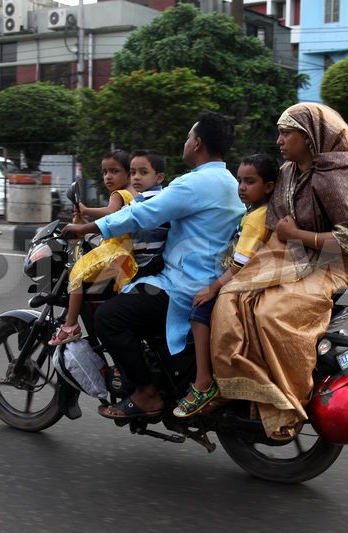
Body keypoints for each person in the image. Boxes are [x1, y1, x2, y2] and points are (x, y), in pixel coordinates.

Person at [210, 103, 348, 440]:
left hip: (327, 267)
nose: (279, 140)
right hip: (287, 259)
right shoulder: (288, 172)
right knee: (229, 300)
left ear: (308, 137)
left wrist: (298, 236)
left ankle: (287, 405)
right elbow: (273, 225)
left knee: (271, 316)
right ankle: (245, 390)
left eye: (286, 133)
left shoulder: (344, 174)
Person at [63, 111, 246, 419]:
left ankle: (146, 394)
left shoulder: (195, 183)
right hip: (209, 275)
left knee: (109, 317)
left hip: (184, 284)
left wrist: (85, 229)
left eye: (188, 137)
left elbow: (141, 214)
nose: (185, 143)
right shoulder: (228, 181)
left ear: (198, 143)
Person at [173, 154, 278, 418]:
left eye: (250, 181)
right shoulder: (259, 212)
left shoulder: (256, 218)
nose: (242, 187)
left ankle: (203, 382)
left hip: (242, 284)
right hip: (253, 281)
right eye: (240, 180)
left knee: (199, 314)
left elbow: (240, 264)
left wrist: (212, 288)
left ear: (269, 186)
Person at [49, 151, 138, 346]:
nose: (108, 176)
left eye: (114, 171)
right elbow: (111, 226)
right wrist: (85, 225)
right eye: (105, 172)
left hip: (115, 250)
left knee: (76, 274)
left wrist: (86, 209)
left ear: (128, 173)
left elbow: (111, 215)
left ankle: (70, 324)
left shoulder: (119, 194)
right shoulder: (133, 193)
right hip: (123, 249)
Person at [127, 149, 169, 279]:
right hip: (158, 261)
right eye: (132, 172)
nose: (136, 177)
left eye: (143, 172)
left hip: (145, 263)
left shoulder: (144, 202)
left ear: (159, 178)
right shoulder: (164, 198)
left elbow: (118, 220)